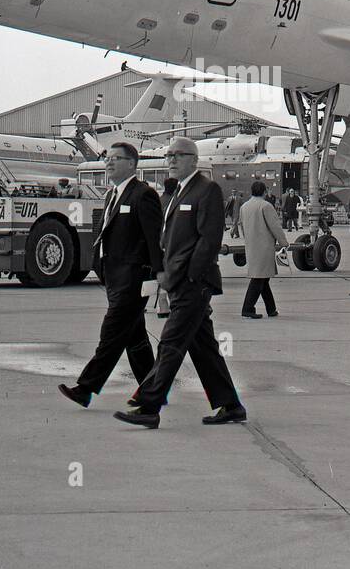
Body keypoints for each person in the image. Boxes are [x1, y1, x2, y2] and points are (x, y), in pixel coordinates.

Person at [114, 137, 246, 429]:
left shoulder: (207, 190)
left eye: (178, 155)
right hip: (180, 281)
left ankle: (149, 405)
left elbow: (209, 239)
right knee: (204, 348)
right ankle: (231, 404)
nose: (171, 160)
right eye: (169, 155)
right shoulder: (178, 193)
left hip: (193, 283)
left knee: (170, 343)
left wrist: (190, 275)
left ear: (194, 160)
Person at [59, 142, 161, 407]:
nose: (109, 163)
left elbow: (154, 239)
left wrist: (158, 274)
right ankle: (154, 389)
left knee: (112, 333)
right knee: (134, 336)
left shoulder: (143, 194)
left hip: (134, 278)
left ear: (131, 164)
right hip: (113, 276)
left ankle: (86, 388)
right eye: (108, 159)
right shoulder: (111, 195)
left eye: (116, 159)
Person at [239, 179, 287, 319]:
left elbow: (242, 226)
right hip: (264, 247)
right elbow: (275, 226)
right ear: (264, 192)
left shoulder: (245, 206)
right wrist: (283, 242)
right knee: (258, 279)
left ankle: (271, 309)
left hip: (251, 245)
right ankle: (247, 308)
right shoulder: (266, 206)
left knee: (263, 278)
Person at [154, 176, 179, 319]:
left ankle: (162, 306)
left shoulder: (158, 201)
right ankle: (171, 303)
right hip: (171, 243)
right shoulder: (175, 202)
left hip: (159, 242)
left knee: (162, 275)